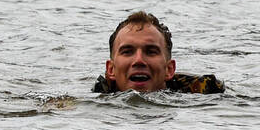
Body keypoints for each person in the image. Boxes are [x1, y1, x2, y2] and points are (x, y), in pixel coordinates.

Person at [93, 11, 223, 94]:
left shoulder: (207, 96)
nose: (139, 60)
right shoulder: (91, 103)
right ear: (111, 69)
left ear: (169, 69)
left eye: (151, 52)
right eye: (127, 52)